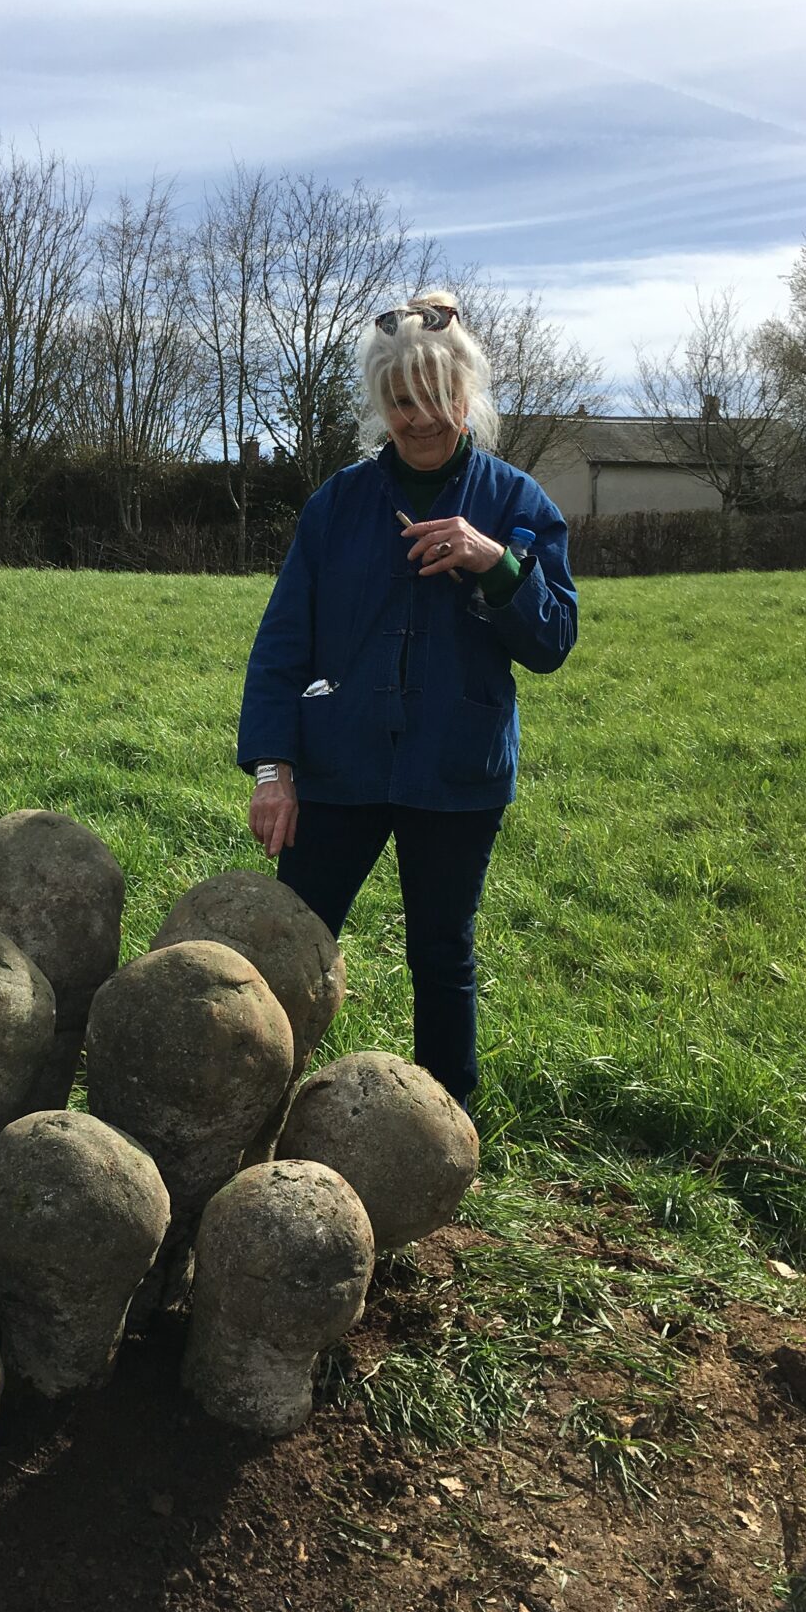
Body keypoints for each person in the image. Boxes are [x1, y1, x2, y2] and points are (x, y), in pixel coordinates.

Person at [236, 291, 577, 1112]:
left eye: (435, 399)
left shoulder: (519, 504)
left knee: (441, 952)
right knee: (294, 947)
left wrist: (495, 563)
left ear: (467, 395)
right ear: (380, 405)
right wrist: (273, 768)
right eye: (400, 401)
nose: (419, 418)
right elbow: (283, 640)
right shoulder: (339, 505)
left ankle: (444, 1128)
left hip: (455, 772)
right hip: (337, 765)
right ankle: (254, 1108)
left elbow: (553, 640)